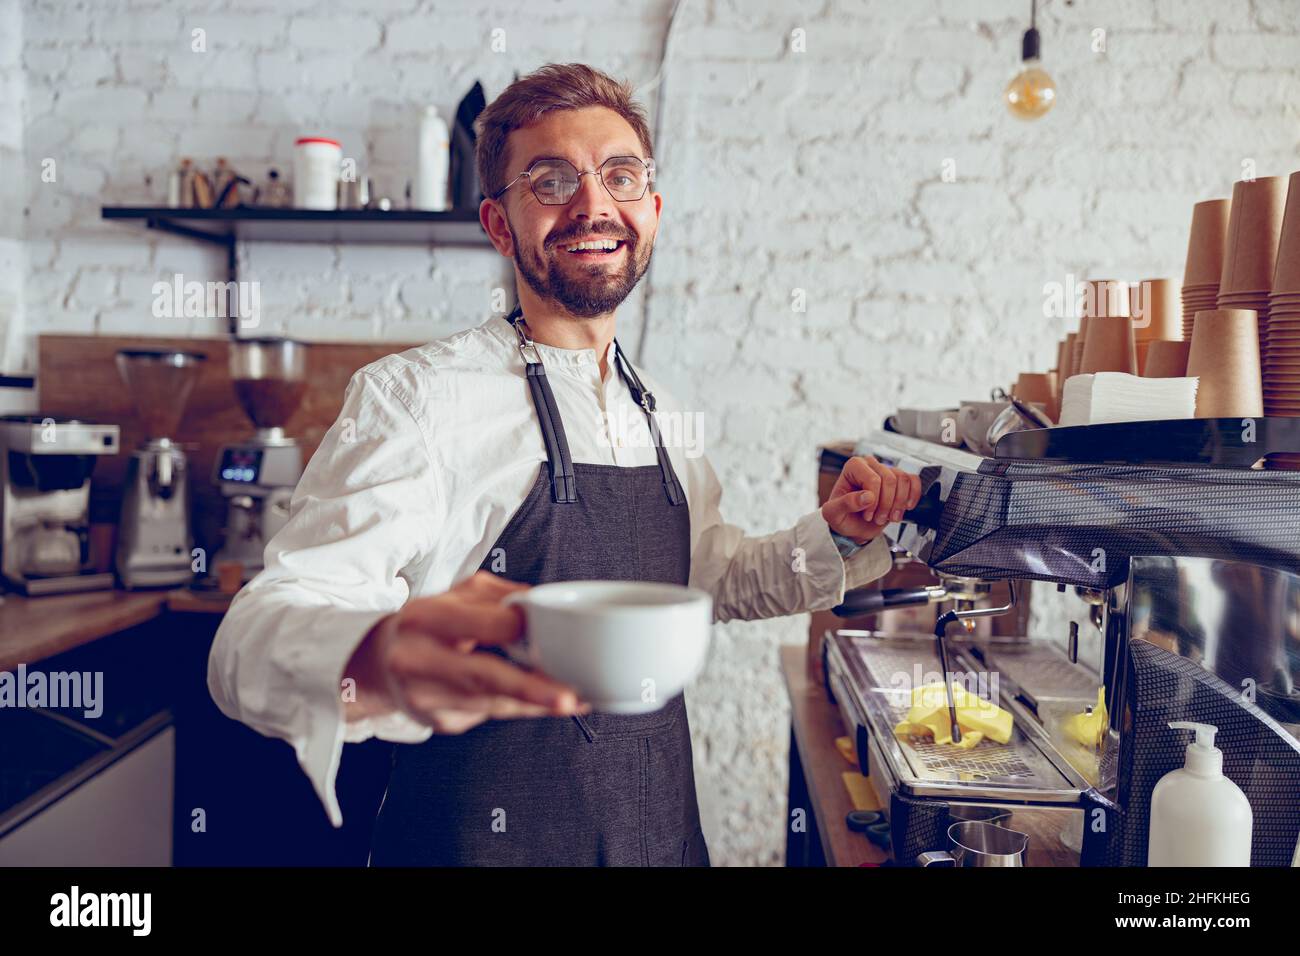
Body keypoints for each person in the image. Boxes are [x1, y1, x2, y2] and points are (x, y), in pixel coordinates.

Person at [208, 62, 921, 866]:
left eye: (621, 176)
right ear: (499, 225)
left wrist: (834, 537)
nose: (594, 205)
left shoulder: (660, 413)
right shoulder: (417, 401)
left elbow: (707, 581)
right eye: (550, 181)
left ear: (651, 210)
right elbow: (251, 638)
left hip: (659, 844)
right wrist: (370, 658)